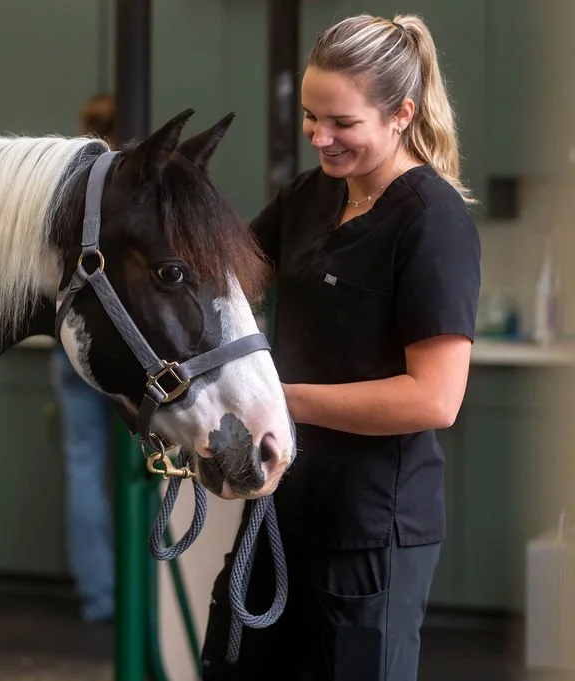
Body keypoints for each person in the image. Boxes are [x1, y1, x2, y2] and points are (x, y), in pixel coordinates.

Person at [199, 13, 481, 681]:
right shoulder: (310, 196)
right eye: (309, 116)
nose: (319, 137)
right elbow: (226, 274)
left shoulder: (433, 222)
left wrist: (278, 400)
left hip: (369, 534)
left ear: (401, 114)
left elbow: (435, 398)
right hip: (279, 510)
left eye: (342, 123)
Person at [50, 92, 117, 624]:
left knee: (84, 472)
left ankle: (100, 597)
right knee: (154, 474)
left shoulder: (68, 193)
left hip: (72, 354)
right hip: (138, 361)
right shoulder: (135, 189)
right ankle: (155, 600)